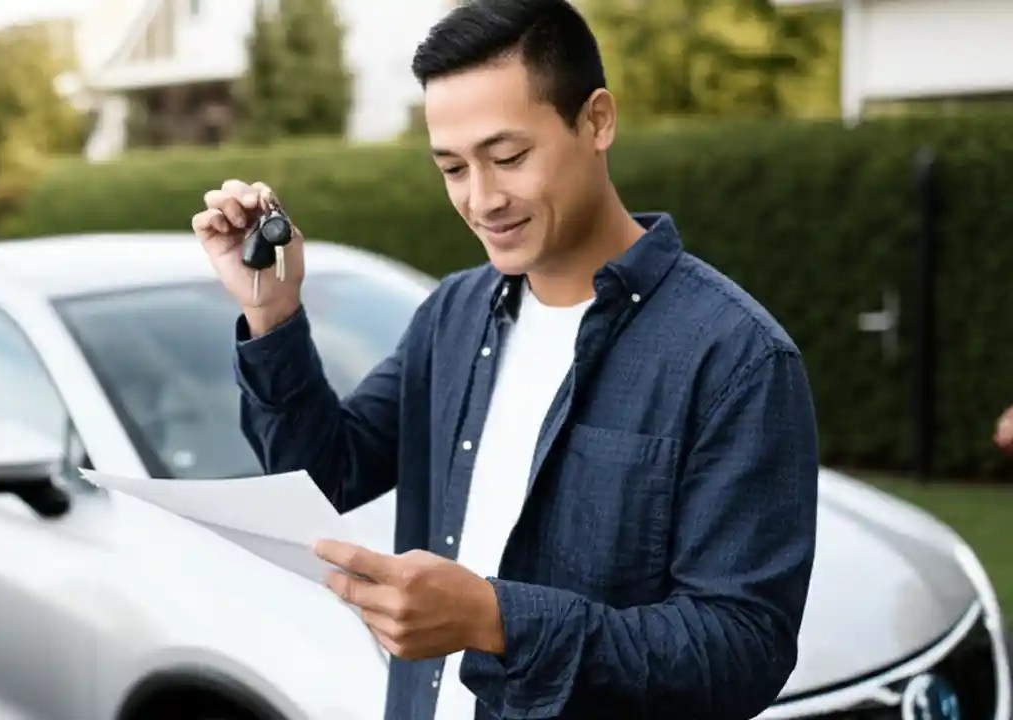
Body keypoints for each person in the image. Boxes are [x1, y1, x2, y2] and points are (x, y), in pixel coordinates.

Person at [190, 1, 819, 717]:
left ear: (597, 121)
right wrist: (270, 310)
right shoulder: (452, 316)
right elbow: (322, 475)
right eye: (453, 167)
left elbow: (742, 651)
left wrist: (496, 620)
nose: (482, 199)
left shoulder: (736, 357)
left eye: (509, 157)